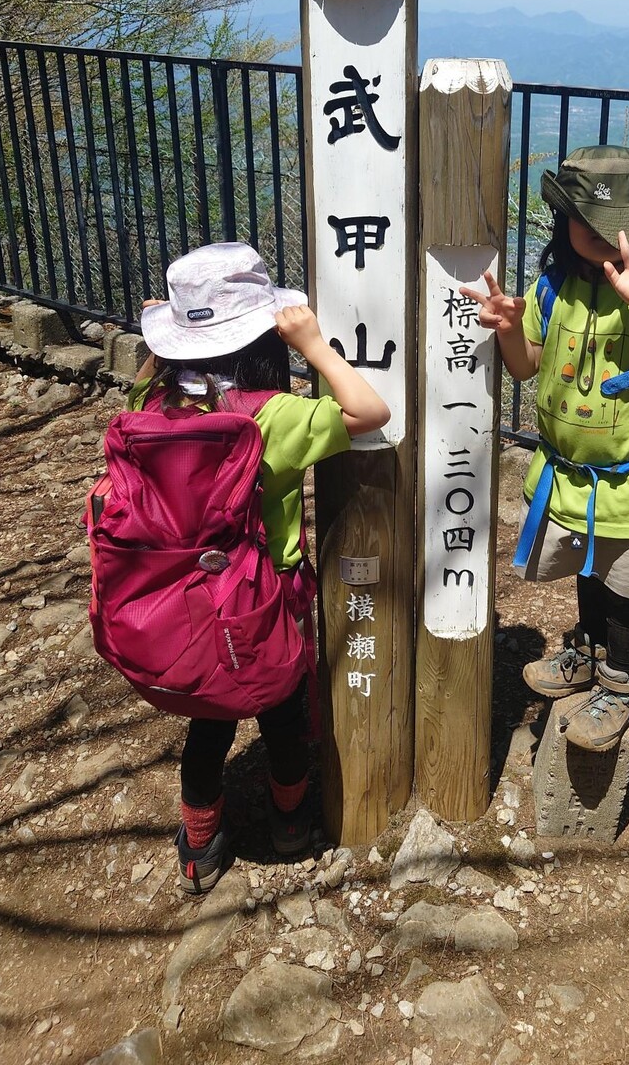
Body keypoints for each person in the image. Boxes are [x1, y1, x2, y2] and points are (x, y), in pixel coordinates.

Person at [132, 241, 390, 892]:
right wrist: (315, 346)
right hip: (263, 601)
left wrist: (166, 336)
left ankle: (199, 847)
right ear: (263, 339)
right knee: (282, 717)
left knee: (210, 723)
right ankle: (291, 822)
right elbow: (370, 411)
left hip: (191, 602)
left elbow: (158, 366)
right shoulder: (271, 417)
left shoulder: (154, 403)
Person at [463, 146, 629, 751]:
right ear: (564, 219)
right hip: (569, 479)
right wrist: (508, 328)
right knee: (590, 571)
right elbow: (526, 366)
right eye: (590, 221)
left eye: (621, 224)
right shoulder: (553, 287)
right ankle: (589, 653)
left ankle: (621, 682)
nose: (605, 236)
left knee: (626, 589)